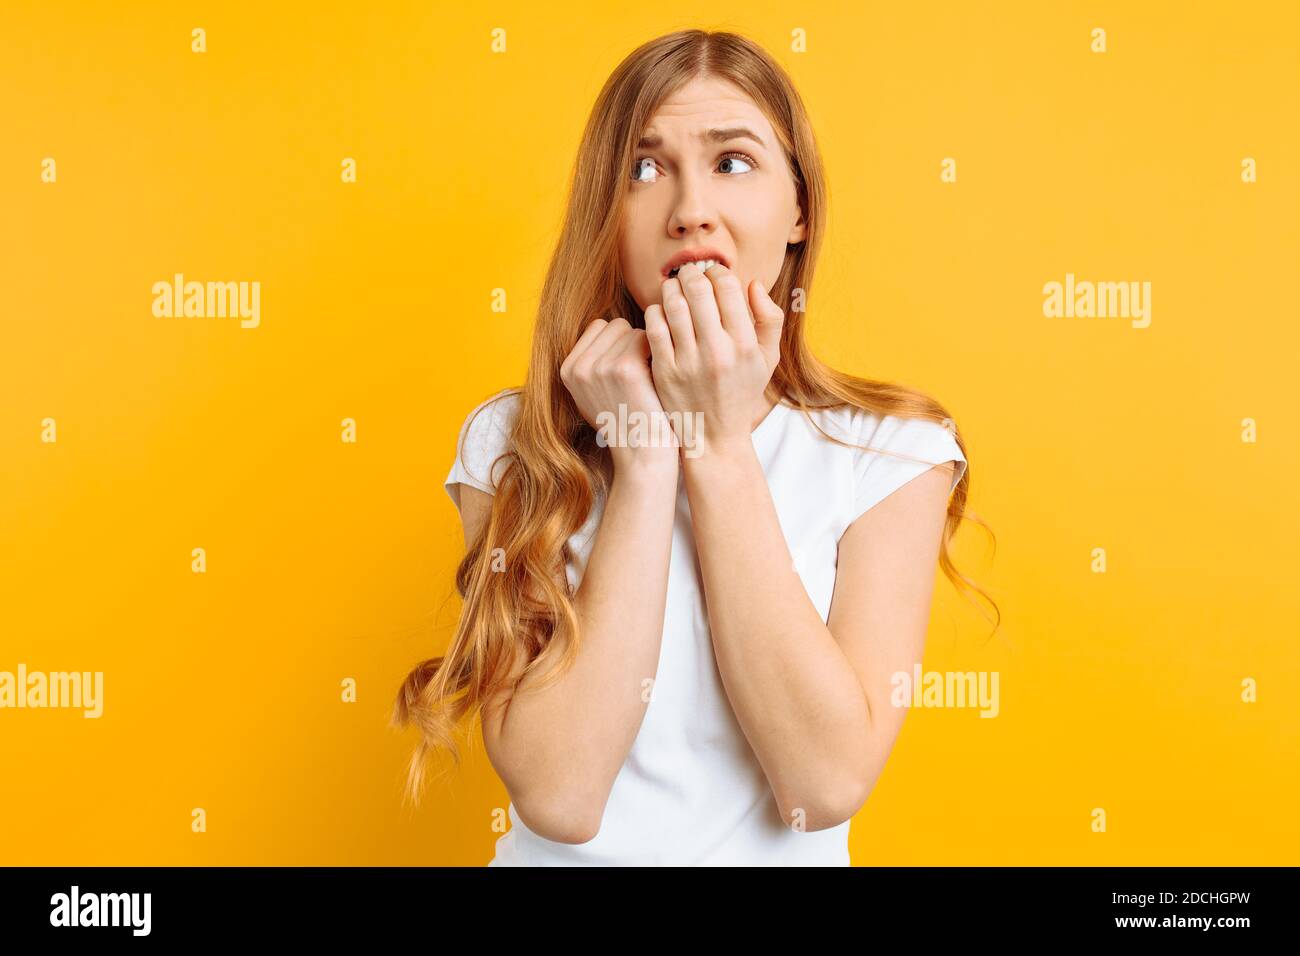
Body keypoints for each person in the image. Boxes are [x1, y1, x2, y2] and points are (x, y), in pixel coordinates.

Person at [393, 29, 998, 866]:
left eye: (733, 161)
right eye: (643, 169)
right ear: (606, 216)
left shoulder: (891, 455)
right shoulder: (513, 442)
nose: (688, 209)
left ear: (799, 211)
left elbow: (819, 787)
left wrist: (713, 440)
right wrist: (643, 456)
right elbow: (561, 799)